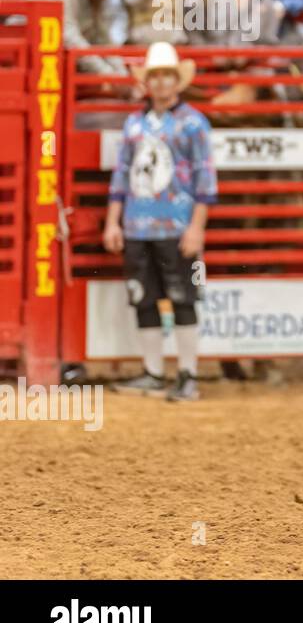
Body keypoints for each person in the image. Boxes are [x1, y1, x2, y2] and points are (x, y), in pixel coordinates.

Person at [103, 42, 217, 402]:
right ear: (148, 82)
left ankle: (188, 374)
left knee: (183, 297)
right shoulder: (135, 124)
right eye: (156, 76)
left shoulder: (194, 123)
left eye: (167, 75)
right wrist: (113, 222)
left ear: (177, 81)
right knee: (144, 297)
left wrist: (196, 227)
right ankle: (153, 371)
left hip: (177, 226)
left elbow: (205, 179)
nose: (162, 83)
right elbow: (121, 175)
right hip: (138, 226)